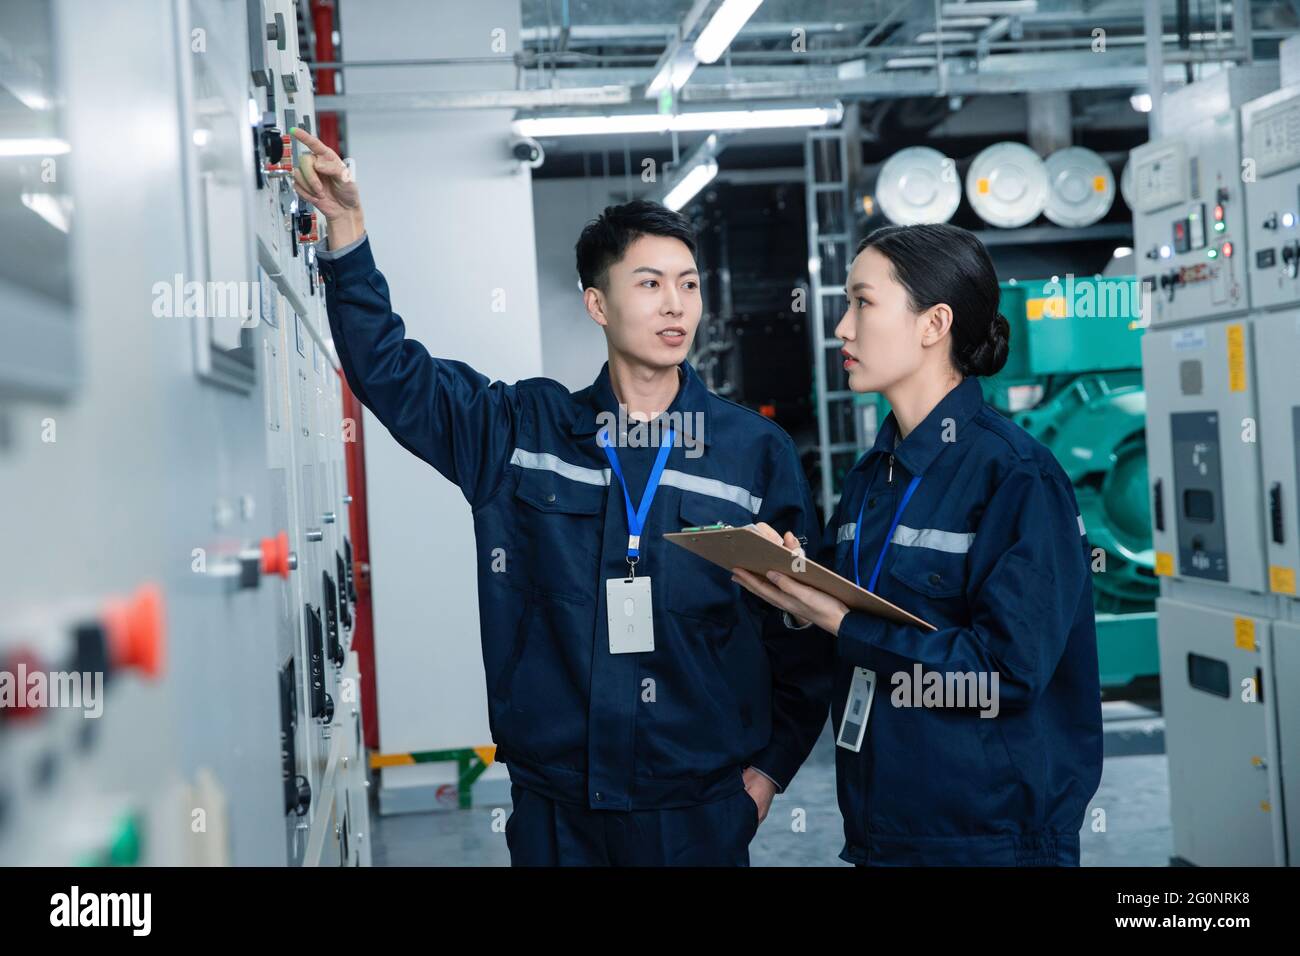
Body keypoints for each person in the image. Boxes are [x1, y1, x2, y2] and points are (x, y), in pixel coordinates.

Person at [290, 127, 832, 866]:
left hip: (698, 814)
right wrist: (348, 236)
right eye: (649, 283)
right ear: (598, 305)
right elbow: (391, 372)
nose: (676, 304)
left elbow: (800, 635)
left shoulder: (752, 451)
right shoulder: (522, 431)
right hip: (557, 817)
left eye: (689, 283)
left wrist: (766, 778)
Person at [733, 223, 1103, 866]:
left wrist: (842, 622)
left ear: (934, 323)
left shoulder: (1017, 477)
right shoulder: (873, 475)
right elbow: (872, 613)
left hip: (992, 841)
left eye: (862, 302)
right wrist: (794, 587)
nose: (842, 328)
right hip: (885, 829)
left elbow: (1004, 677)